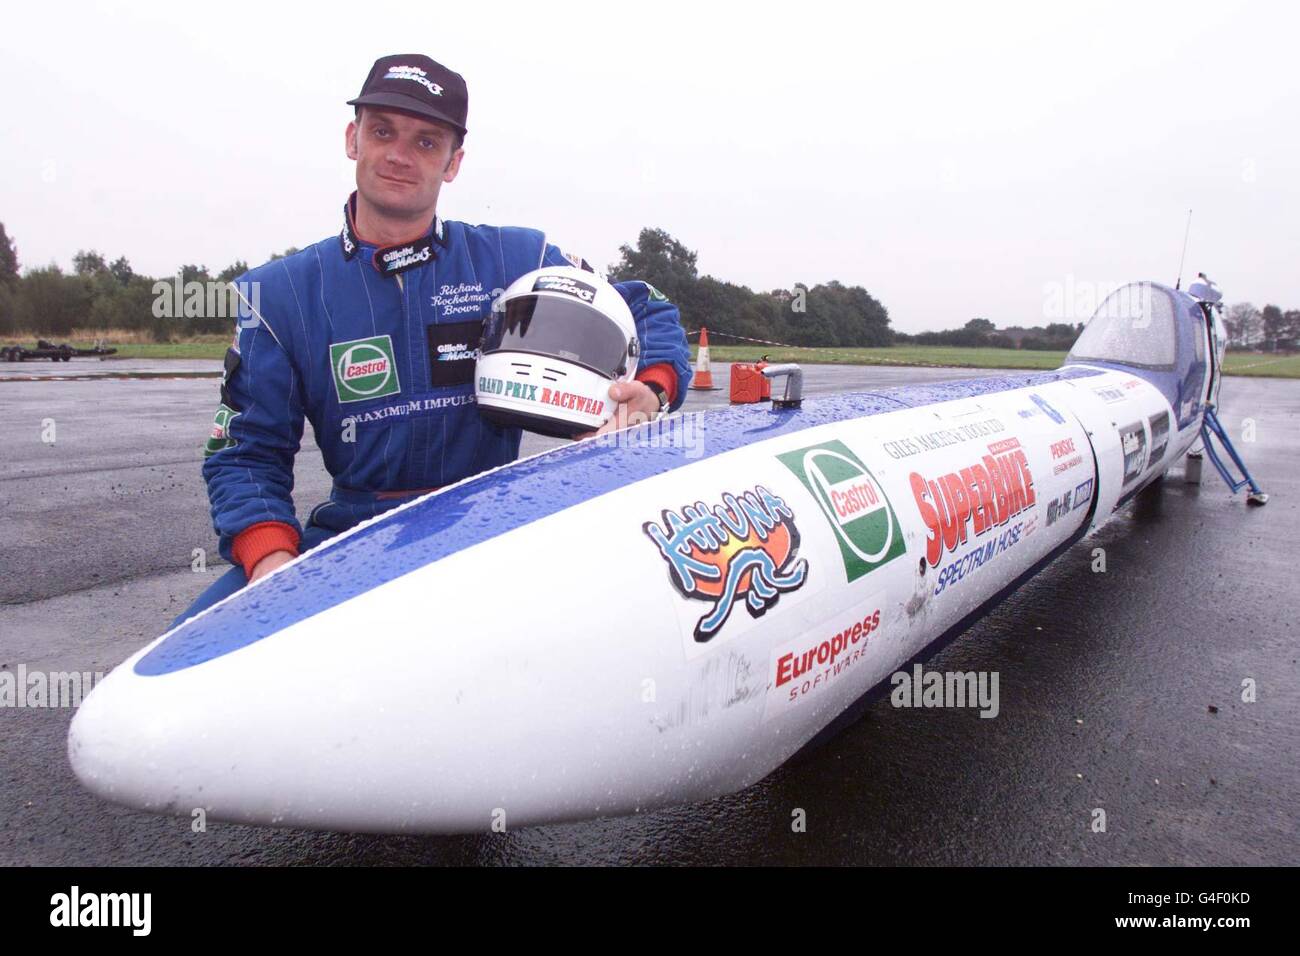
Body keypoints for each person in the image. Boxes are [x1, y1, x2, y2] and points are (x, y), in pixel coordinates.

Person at [177, 53, 690, 627]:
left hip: (494, 523)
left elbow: (646, 306)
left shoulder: (515, 258)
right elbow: (244, 455)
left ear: (453, 163)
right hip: (353, 534)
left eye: (426, 142)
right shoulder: (278, 296)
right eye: (383, 131)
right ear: (353, 139)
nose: (399, 154)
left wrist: (652, 388)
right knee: (176, 679)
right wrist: (271, 559)